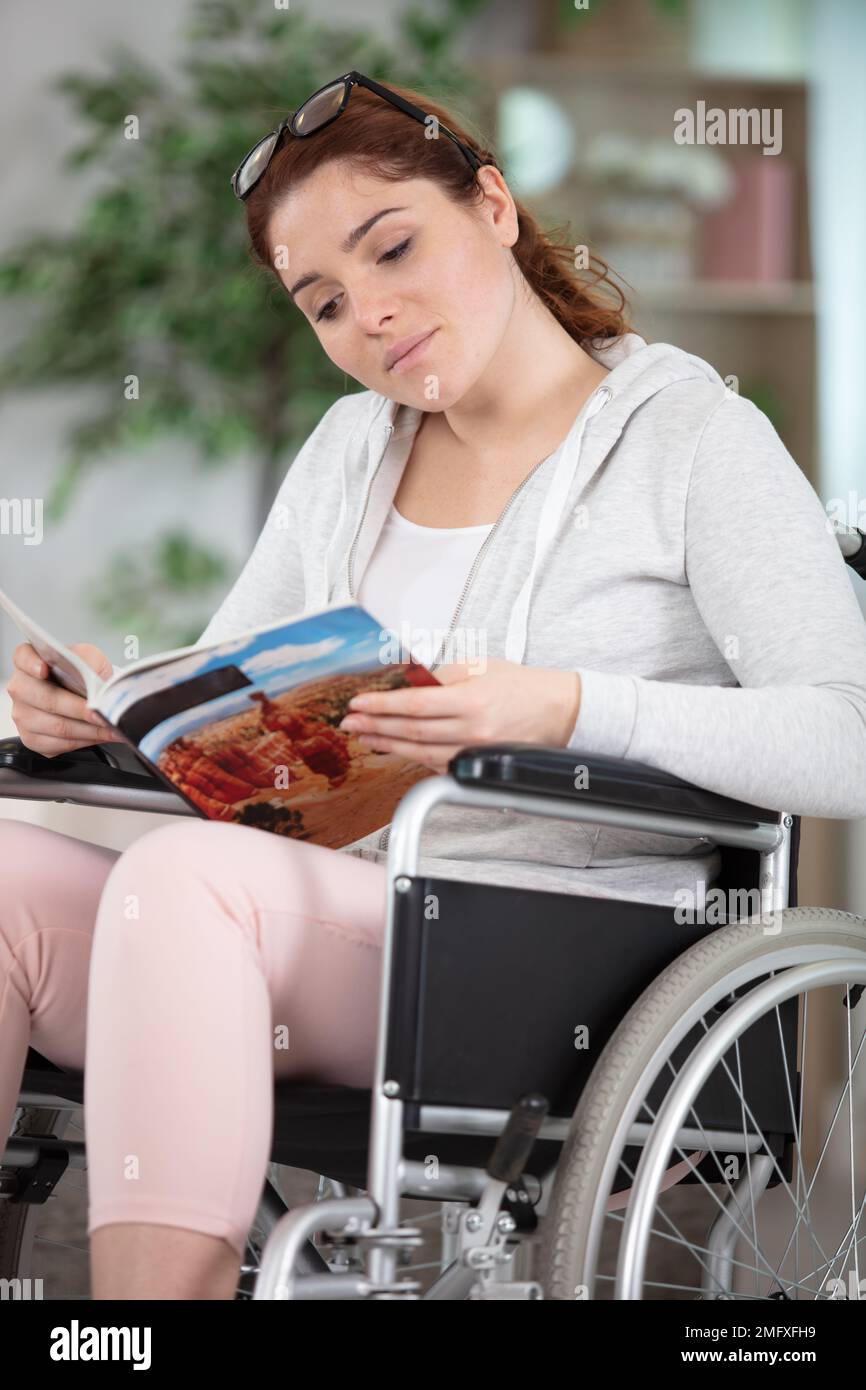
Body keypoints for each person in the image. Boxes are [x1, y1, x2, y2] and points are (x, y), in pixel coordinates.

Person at [3, 73, 866, 1301]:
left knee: (188, 884)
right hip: (337, 925)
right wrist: (95, 708)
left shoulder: (691, 440)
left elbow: (846, 737)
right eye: (326, 301)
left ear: (496, 208)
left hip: (552, 953)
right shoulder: (349, 449)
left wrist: (558, 706)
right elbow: (223, 700)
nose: (372, 317)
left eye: (393, 248)